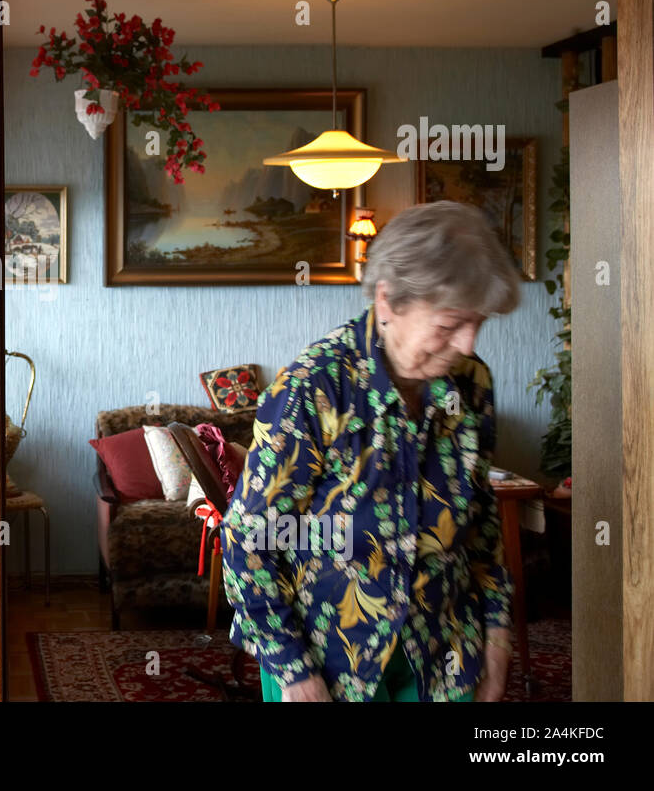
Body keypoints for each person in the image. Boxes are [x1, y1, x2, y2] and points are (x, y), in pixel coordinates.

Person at [221, 201, 522, 703]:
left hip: (443, 652)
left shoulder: (470, 385)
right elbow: (247, 542)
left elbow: (482, 522)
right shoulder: (315, 387)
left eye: (478, 323)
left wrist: (496, 635)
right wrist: (294, 672)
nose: (468, 345)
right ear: (387, 302)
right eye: (449, 325)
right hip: (327, 657)